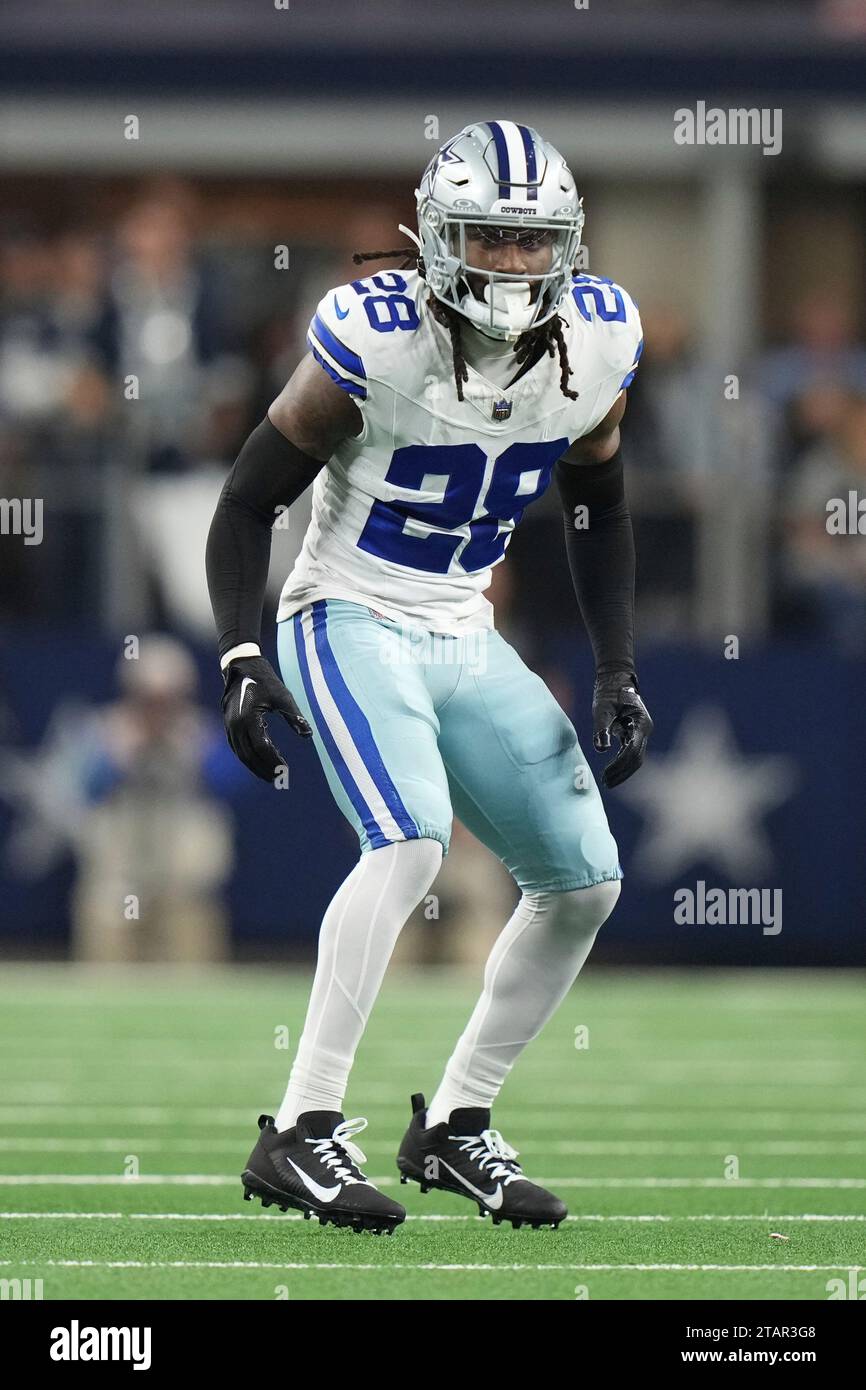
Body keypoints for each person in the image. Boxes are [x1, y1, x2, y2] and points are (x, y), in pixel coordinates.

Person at [206, 121, 653, 1235]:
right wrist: (241, 651)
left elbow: (596, 501)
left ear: (567, 244)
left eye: (529, 240)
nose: (509, 262)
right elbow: (246, 498)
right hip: (345, 608)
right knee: (406, 839)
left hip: (460, 627)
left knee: (584, 878)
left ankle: (455, 1124)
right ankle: (299, 1130)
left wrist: (614, 664)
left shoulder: (596, 342)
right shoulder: (376, 333)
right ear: (437, 237)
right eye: (488, 238)